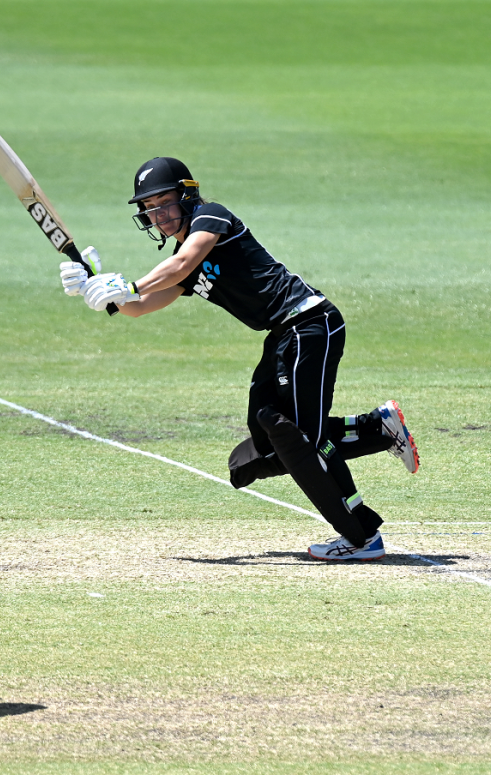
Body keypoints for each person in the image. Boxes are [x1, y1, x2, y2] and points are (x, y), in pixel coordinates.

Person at [59, 157, 419, 561]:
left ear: (187, 194)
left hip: (309, 323)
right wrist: (101, 291)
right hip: (284, 335)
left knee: (298, 437)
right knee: (262, 447)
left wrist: (125, 284)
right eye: (150, 208)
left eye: (165, 203)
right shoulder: (183, 254)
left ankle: (361, 536)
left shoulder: (212, 217)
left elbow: (180, 264)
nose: (158, 215)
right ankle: (377, 428)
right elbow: (141, 306)